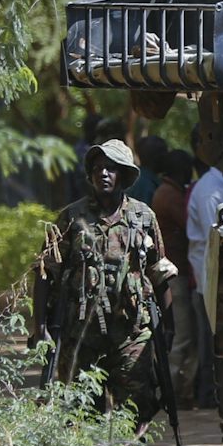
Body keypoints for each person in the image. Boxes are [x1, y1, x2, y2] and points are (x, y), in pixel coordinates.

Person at [28, 141, 179, 428]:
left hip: (131, 332)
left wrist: (168, 326)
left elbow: (160, 273)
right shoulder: (71, 218)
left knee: (137, 406)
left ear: (123, 174)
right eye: (98, 169)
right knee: (81, 411)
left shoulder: (143, 216)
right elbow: (45, 272)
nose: (104, 174)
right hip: (81, 334)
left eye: (111, 168)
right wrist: (41, 328)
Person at [186, 136, 223, 408]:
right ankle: (207, 395)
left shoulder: (221, 185)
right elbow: (212, 234)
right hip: (209, 276)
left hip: (216, 275)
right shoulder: (209, 189)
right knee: (209, 341)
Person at [153, 149, 199, 405]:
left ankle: (182, 389)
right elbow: (188, 224)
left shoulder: (167, 192)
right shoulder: (169, 195)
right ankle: (169, 390)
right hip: (176, 274)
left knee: (185, 335)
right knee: (182, 335)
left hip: (179, 270)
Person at [129, 134, 168, 204]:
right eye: (163, 154)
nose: (167, 158)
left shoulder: (137, 178)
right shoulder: (146, 186)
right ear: (156, 158)